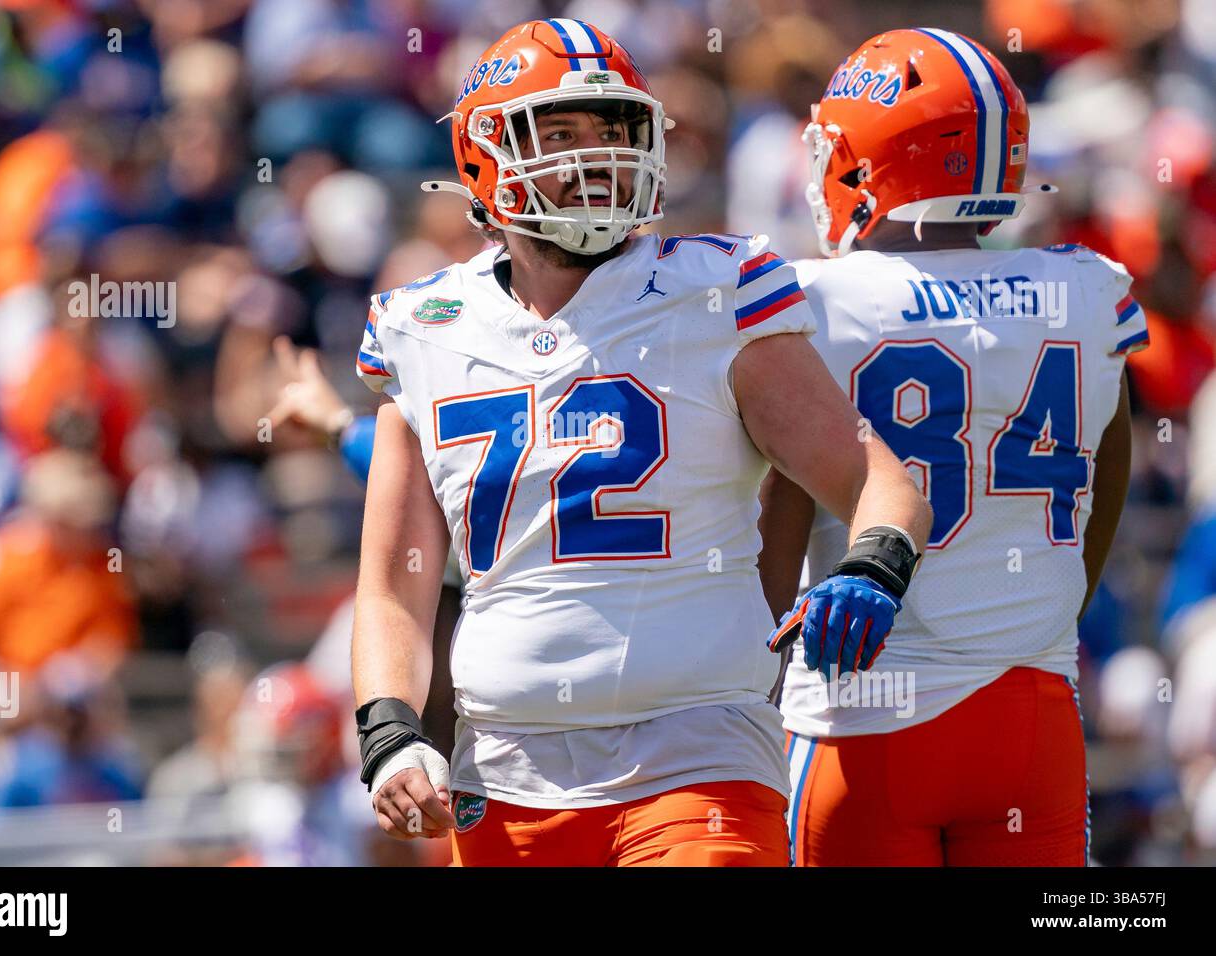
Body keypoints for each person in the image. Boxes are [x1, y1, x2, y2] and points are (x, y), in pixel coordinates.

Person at [349, 18, 930, 867]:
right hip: (504, 772)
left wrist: (875, 566)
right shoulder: (423, 325)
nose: (599, 154)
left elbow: (877, 481)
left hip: (698, 753)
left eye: (615, 129)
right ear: (483, 156)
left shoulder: (717, 290)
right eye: (562, 132)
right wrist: (391, 732)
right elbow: (393, 585)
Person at [762, 28, 1147, 866]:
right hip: (1030, 710)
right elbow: (1110, 457)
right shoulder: (1084, 287)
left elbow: (779, 504)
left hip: (864, 712)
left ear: (870, 161)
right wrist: (1057, 606)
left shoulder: (806, 299)